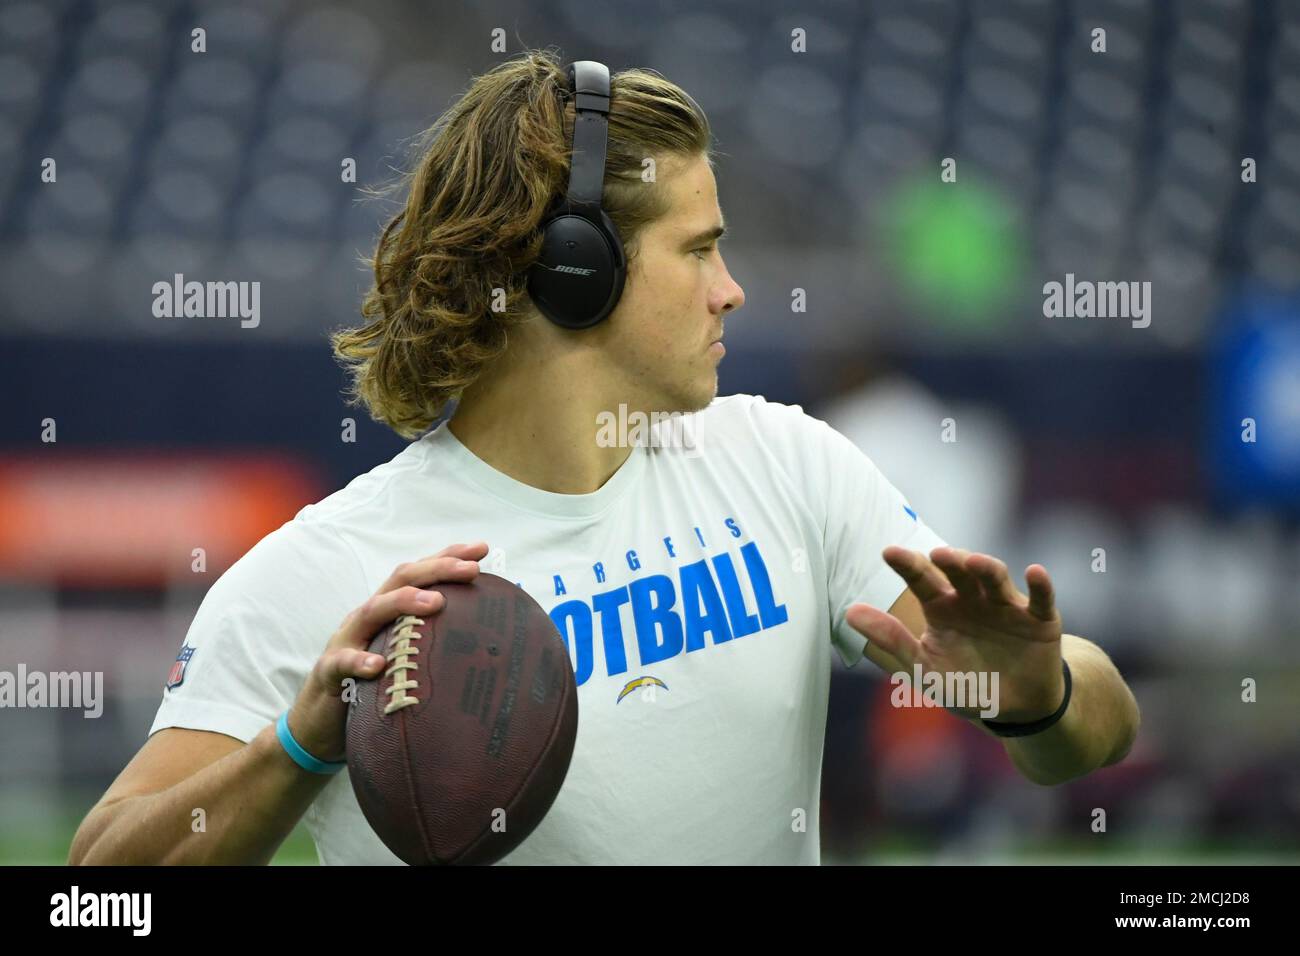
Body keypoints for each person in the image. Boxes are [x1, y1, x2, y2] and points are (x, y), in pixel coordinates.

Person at [69, 51, 1138, 866]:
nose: (733, 289)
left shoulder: (787, 466)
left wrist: (1032, 685)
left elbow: (1094, 732)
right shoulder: (328, 571)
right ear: (572, 271)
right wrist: (298, 746)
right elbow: (99, 893)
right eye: (700, 247)